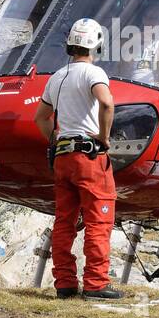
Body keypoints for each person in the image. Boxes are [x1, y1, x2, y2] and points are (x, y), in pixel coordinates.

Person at [34, 18, 124, 300]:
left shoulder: (56, 77)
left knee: (65, 221)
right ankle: (96, 284)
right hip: (89, 155)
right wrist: (104, 137)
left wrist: (57, 138)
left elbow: (41, 118)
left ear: (70, 44)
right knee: (99, 219)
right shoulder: (93, 73)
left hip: (62, 156)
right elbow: (107, 102)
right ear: (97, 44)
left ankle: (64, 283)